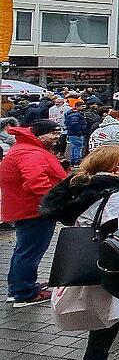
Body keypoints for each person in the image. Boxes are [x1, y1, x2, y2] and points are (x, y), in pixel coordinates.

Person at [40, 145, 119, 360]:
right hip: (117, 274)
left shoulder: (79, 192)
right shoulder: (115, 195)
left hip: (92, 273)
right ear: (117, 166)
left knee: (99, 343)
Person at [0, 119, 66, 306]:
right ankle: (24, 292)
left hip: (27, 208)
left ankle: (21, 287)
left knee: (24, 250)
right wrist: (55, 200)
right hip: (35, 210)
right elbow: (35, 182)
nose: (56, 137)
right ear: (39, 134)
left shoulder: (26, 147)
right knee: (29, 252)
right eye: (53, 133)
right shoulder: (30, 152)